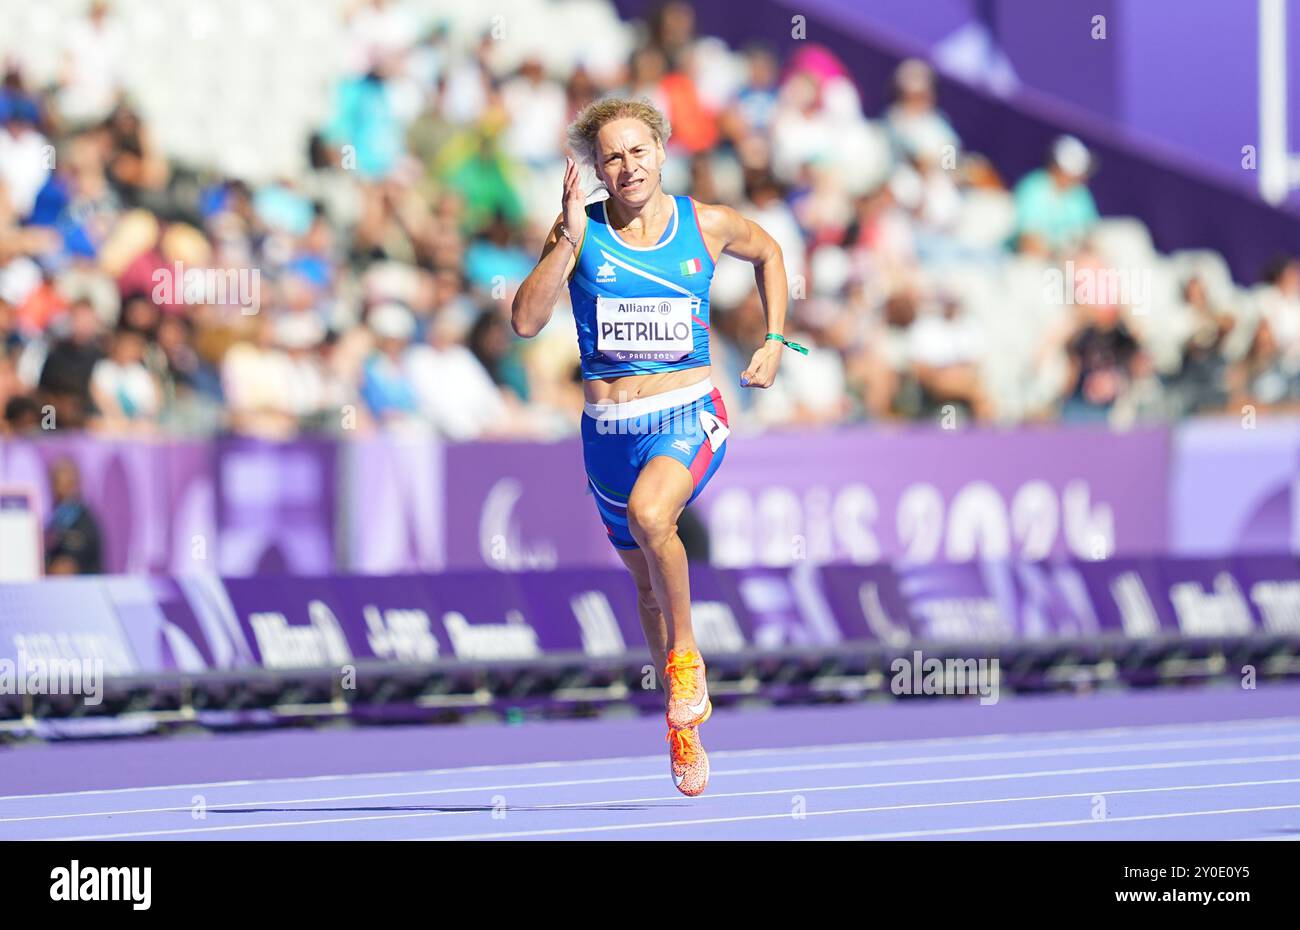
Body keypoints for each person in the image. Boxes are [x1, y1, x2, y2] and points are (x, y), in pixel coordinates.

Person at [512, 97, 801, 796]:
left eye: (637, 150)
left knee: (652, 516)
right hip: (607, 434)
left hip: (688, 413)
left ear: (662, 151)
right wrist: (566, 242)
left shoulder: (704, 224)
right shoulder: (582, 231)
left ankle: (686, 657)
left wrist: (773, 340)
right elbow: (524, 320)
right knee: (643, 582)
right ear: (597, 170)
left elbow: (769, 252)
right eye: (612, 156)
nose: (627, 165)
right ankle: (682, 725)